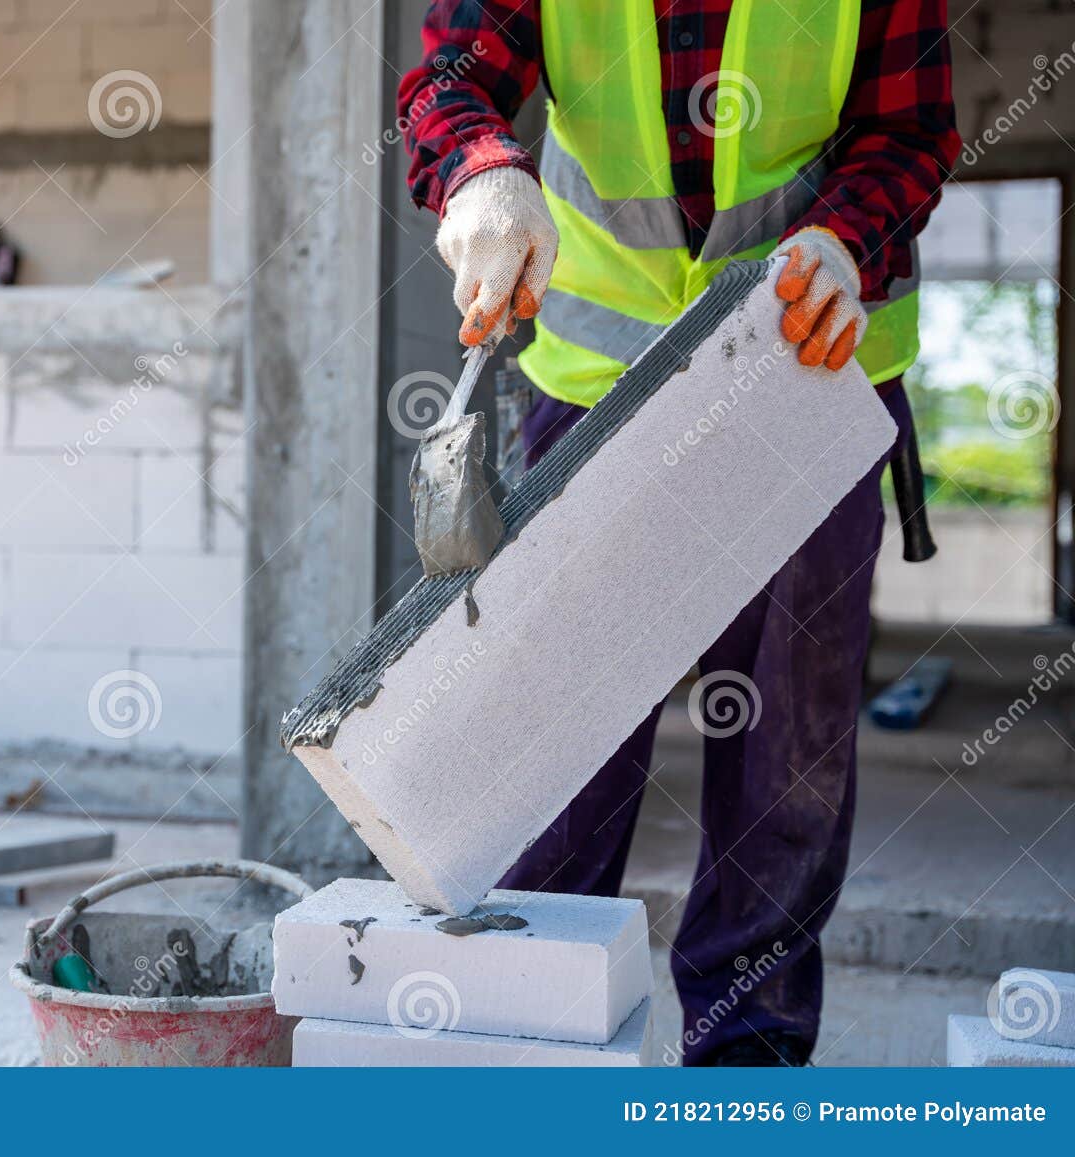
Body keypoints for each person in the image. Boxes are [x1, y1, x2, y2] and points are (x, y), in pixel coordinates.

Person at [398, 0, 959, 1066]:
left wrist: (846, 242)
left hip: (809, 355)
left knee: (782, 748)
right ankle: (538, 1037)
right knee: (563, 745)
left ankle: (744, 1064)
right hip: (600, 378)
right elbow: (450, 75)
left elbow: (909, 132)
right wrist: (480, 168)